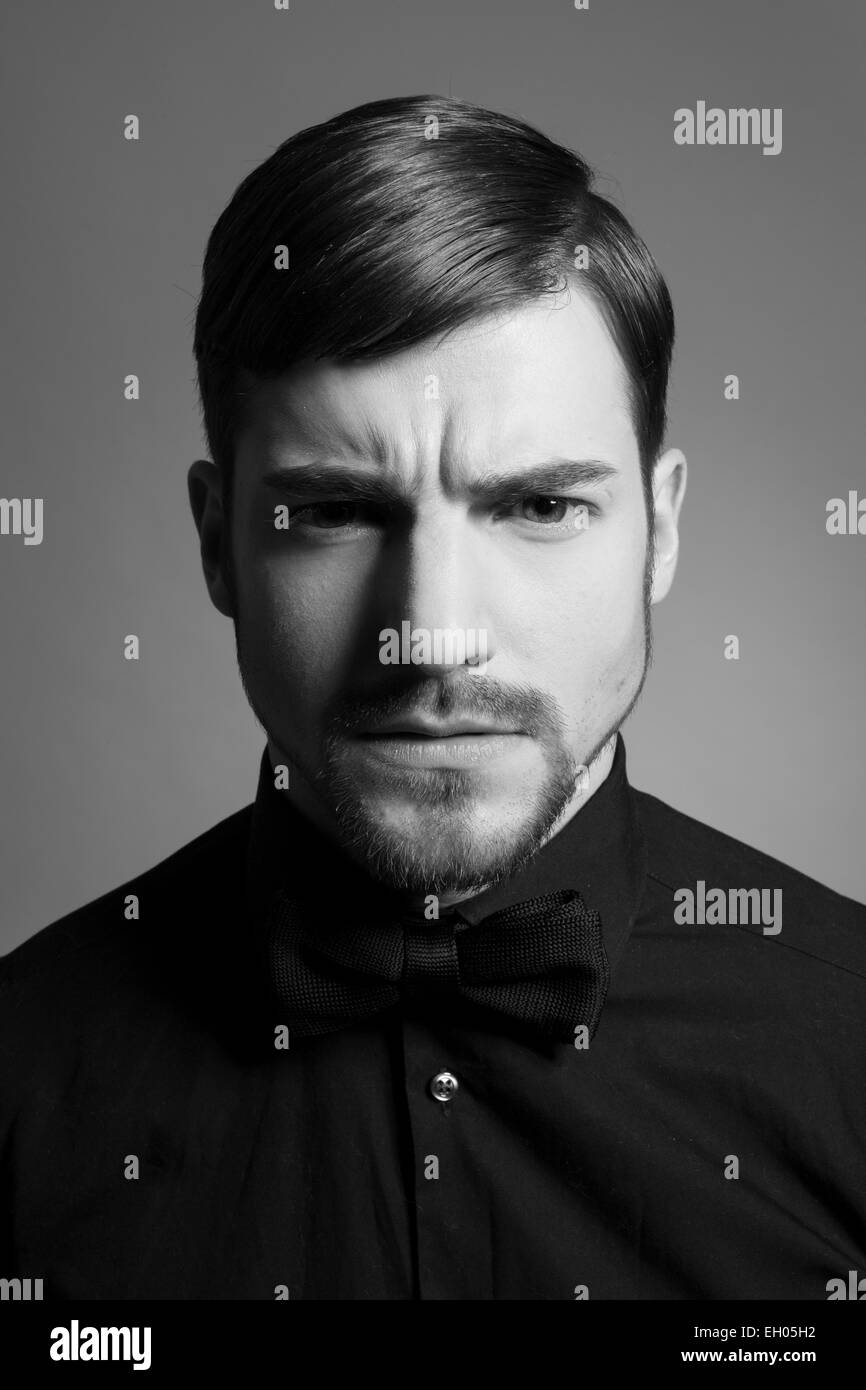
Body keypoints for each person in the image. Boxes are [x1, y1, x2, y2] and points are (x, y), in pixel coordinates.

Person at [2, 94, 864, 1302]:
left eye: (539, 506)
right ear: (216, 544)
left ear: (659, 529)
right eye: (339, 512)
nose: (431, 634)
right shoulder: (21, 1079)